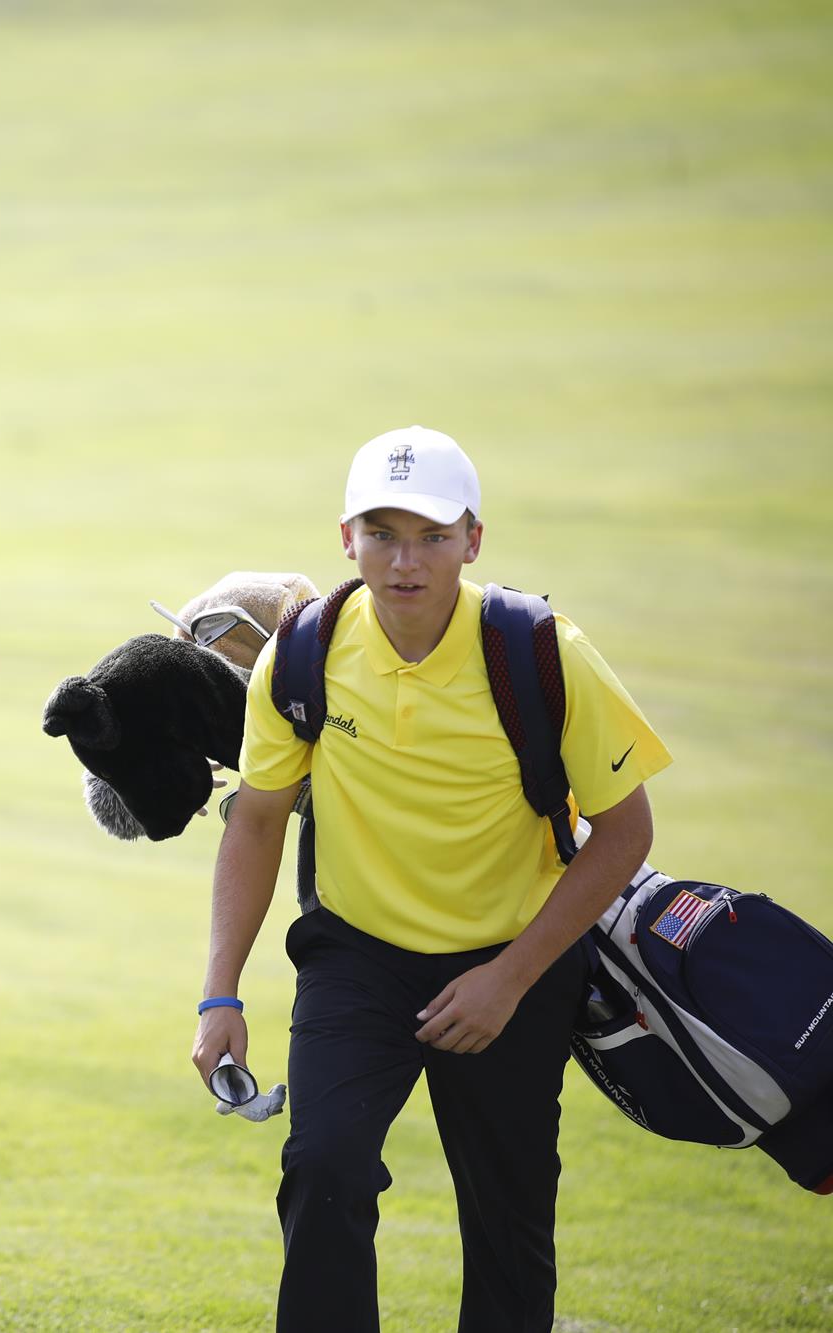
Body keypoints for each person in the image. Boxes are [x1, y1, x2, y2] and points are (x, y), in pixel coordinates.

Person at [190, 426, 671, 1332]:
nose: (405, 561)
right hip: (356, 960)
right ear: (346, 538)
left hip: (511, 963)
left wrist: (510, 977)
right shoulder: (303, 650)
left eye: (433, 536)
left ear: (474, 540)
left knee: (508, 1222)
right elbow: (254, 821)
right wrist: (219, 994)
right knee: (324, 1168)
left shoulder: (544, 652)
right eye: (382, 533)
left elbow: (624, 833)